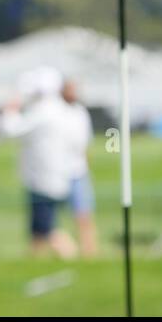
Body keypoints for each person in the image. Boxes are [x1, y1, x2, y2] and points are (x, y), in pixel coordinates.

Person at [0, 66, 77, 259]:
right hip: (51, 177)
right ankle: (35, 259)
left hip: (44, 179)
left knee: (48, 229)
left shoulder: (44, 111)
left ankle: (73, 256)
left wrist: (11, 108)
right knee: (38, 230)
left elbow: (11, 130)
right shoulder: (57, 109)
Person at [61, 76, 98, 257]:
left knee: (84, 214)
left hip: (79, 171)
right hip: (58, 171)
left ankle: (88, 250)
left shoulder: (81, 113)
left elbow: (86, 143)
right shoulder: (56, 112)